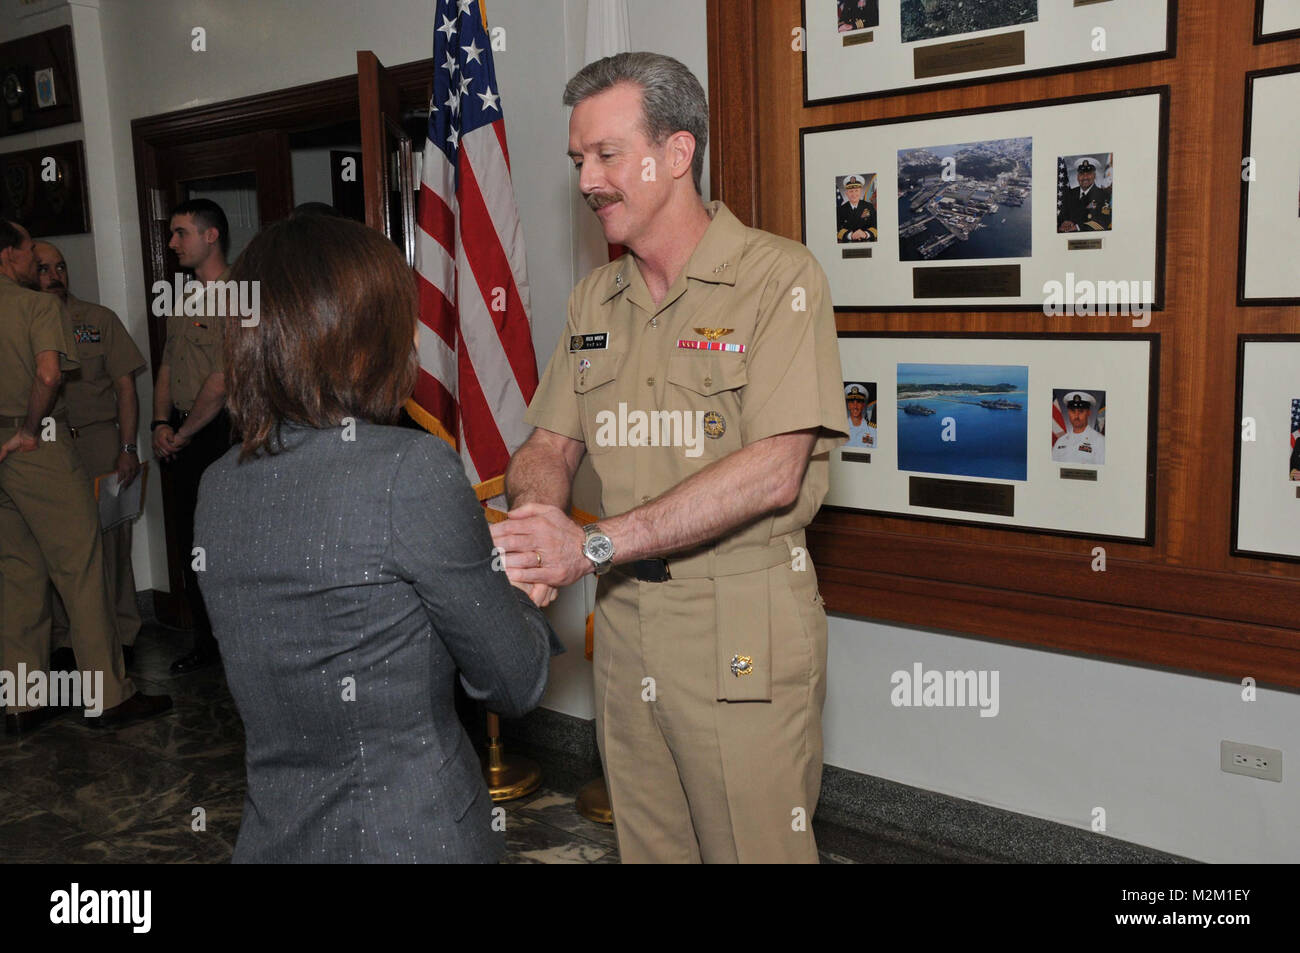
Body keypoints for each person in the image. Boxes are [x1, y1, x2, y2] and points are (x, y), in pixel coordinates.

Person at [491, 52, 848, 864]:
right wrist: (536, 517)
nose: (587, 180)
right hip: (621, 625)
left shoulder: (778, 279)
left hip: (738, 620)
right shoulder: (594, 298)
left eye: (607, 155)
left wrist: (588, 544)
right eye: (578, 159)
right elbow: (548, 444)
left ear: (678, 152)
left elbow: (774, 469)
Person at [193, 215, 556, 863]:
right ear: (361, 338)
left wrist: (462, 570)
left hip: (276, 837)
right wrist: (515, 585)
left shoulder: (219, 486)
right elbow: (513, 678)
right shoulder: (407, 469)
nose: (414, 334)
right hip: (408, 836)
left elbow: (342, 610)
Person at [0, 220, 170, 734]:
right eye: (31, 252)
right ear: (8, 255)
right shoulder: (39, 306)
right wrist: (30, 430)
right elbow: (51, 374)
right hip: (39, 444)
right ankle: (107, 697)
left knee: (16, 573)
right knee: (81, 565)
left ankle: (22, 701)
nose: (37, 262)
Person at [35, 241, 146, 667]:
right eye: (44, 268)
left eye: (60, 267)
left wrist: (127, 447)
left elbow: (124, 389)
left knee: (111, 541)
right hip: (52, 442)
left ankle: (123, 632)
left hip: (101, 442)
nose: (55, 275)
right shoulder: (27, 324)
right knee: (61, 546)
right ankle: (67, 641)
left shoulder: (97, 320)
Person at [152, 198, 233, 674]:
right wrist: (160, 423)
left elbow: (223, 380)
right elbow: (167, 364)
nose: (172, 243)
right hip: (181, 432)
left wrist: (182, 432)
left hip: (218, 434)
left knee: (222, 544)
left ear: (211, 236)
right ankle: (206, 645)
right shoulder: (184, 298)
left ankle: (234, 646)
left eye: (181, 232)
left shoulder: (243, 295)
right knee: (191, 544)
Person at [1057, 157, 1111, 232]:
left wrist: (1077, 227)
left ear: (1094, 175)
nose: (1085, 177)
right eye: (1081, 174)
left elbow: (1104, 221)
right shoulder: (1069, 194)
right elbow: (1060, 216)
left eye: (1089, 174)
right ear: (1077, 176)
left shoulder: (1104, 195)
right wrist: (1062, 224)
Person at [1052, 391, 1105, 464]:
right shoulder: (1060, 441)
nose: (1076, 416)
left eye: (1081, 411)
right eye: (1073, 411)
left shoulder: (1100, 441)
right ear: (1068, 412)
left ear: (1088, 413)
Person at [836, 174, 877, 242]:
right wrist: (850, 235)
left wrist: (866, 234)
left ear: (860, 191)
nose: (854, 194)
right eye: (851, 191)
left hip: (867, 242)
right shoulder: (840, 210)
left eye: (856, 190)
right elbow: (837, 229)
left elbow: (876, 225)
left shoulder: (869, 206)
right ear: (846, 193)